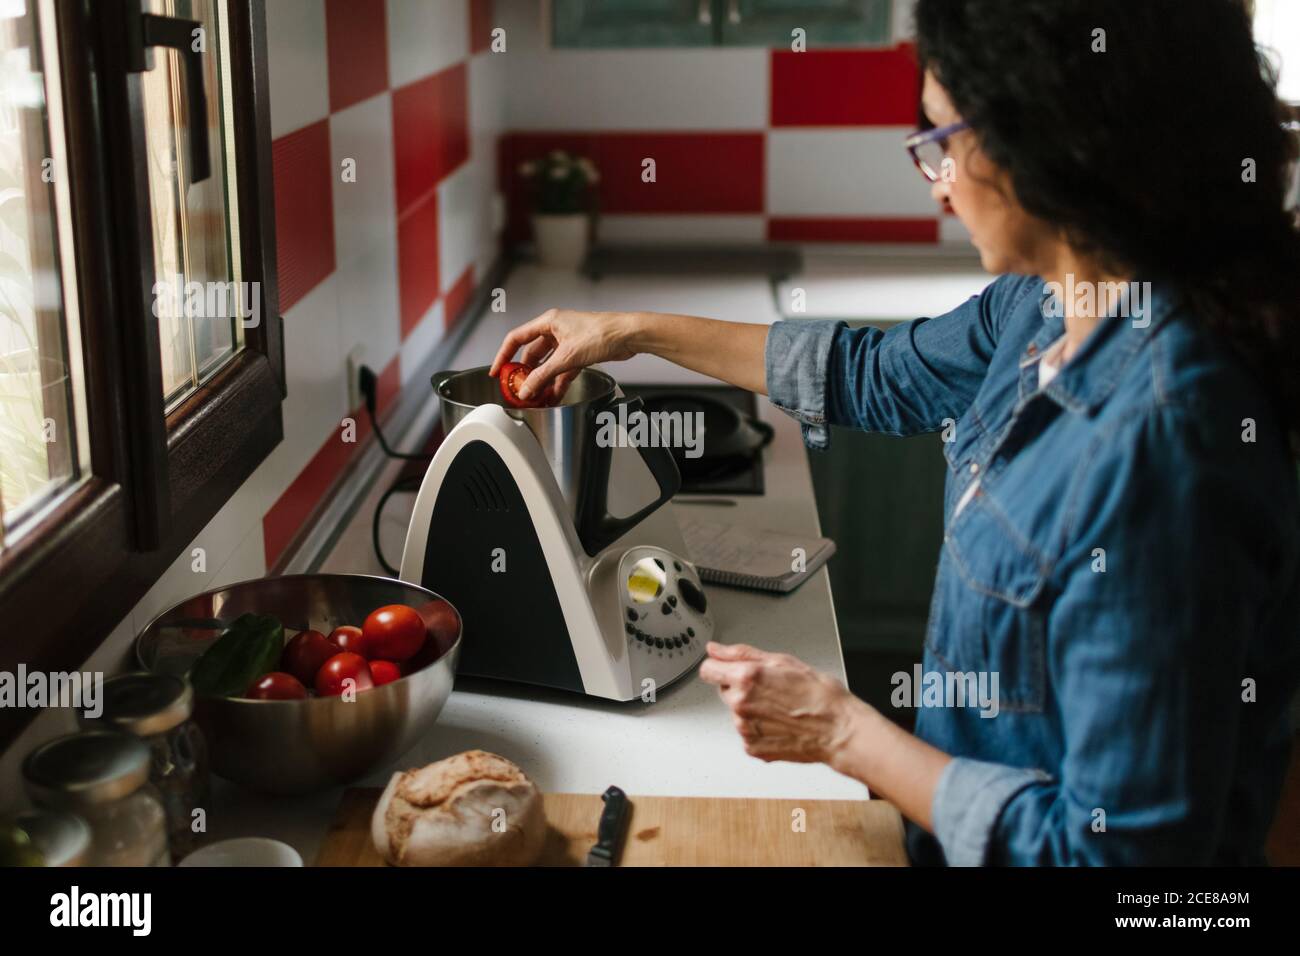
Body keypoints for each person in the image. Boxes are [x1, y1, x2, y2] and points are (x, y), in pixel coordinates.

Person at [489, 0, 1300, 864]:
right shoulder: (1046, 303)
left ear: (1053, 138)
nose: (936, 176)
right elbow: (873, 373)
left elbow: (1121, 861)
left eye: (943, 137)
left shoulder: (1162, 445)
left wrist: (843, 733)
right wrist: (627, 330)